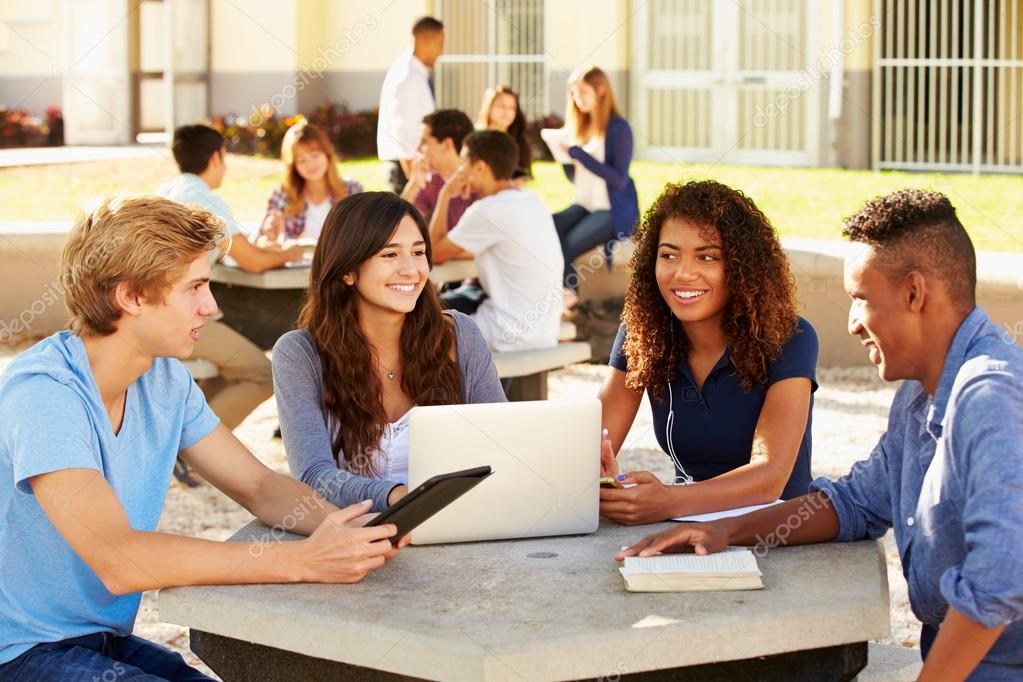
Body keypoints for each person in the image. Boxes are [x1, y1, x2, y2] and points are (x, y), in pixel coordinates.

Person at [618, 190, 1023, 680]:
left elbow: (999, 583)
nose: (852, 324)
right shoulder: (919, 393)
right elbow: (852, 503)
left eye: (860, 299)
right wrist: (724, 530)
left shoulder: (990, 395)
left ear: (915, 294)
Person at [0, 196, 404, 680]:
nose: (211, 307)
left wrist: (352, 530)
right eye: (195, 287)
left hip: (101, 640)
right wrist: (302, 560)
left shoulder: (163, 380)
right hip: (21, 652)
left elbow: (258, 486)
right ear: (131, 297)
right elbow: (119, 559)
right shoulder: (44, 393)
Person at [599, 181, 818, 524]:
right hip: (686, 526)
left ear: (742, 267)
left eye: (708, 257)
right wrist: (603, 477)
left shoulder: (789, 337)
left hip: (774, 532)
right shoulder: (641, 335)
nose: (684, 273)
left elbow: (770, 476)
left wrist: (668, 499)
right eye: (669, 255)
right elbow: (594, 441)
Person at [273, 192, 506, 512]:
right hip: (360, 537)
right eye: (390, 255)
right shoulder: (300, 354)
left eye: (418, 252)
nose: (411, 270)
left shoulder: (458, 335)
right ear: (348, 270)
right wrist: (402, 498)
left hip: (459, 525)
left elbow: (502, 442)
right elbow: (315, 476)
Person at [156, 124, 281, 473]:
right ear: (216, 156)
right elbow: (253, 261)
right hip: (181, 315)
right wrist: (289, 252)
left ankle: (177, 446)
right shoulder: (205, 200)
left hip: (155, 309)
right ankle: (186, 452)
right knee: (262, 374)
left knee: (228, 370)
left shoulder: (163, 192)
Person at [429, 130, 564, 352]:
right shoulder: (531, 199)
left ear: (480, 167)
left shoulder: (487, 210)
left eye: (463, 163)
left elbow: (431, 254)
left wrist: (445, 194)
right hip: (545, 332)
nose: (459, 170)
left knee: (420, 323)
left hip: (506, 333)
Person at [553, 65, 640, 310]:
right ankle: (564, 294)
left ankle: (570, 299)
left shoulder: (618, 128)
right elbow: (577, 178)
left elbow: (618, 178)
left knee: (568, 245)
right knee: (548, 227)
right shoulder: (580, 128)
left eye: (582, 92)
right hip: (584, 205)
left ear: (601, 91)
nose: (577, 99)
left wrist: (578, 154)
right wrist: (566, 158)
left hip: (610, 211)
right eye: (573, 93)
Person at [260, 121, 363, 242]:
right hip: (297, 260)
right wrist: (271, 237)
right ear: (293, 166)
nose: (310, 165)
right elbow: (261, 244)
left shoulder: (351, 190)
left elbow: (365, 240)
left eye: (315, 155)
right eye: (301, 160)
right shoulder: (282, 195)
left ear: (327, 154)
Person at [378, 16, 444, 194]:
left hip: (414, 169)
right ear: (427, 40)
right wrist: (413, 181)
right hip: (407, 171)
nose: (441, 51)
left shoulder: (412, 73)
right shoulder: (408, 77)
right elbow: (403, 132)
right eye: (440, 44)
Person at [399, 108, 479, 233]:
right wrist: (414, 184)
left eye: (424, 141)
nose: (418, 148)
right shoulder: (432, 182)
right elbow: (398, 226)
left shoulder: (482, 183)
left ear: (447, 145)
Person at [477, 85, 532, 181]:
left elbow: (524, 176)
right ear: (489, 106)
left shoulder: (519, 142)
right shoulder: (474, 138)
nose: (507, 112)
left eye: (512, 108)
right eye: (501, 106)